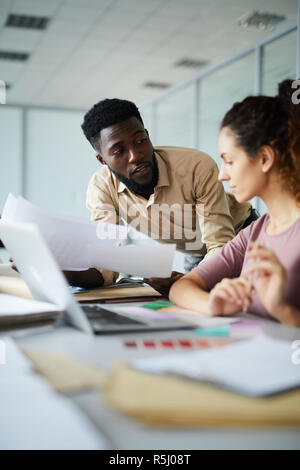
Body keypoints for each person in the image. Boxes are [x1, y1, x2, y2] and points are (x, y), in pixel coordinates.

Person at [77, 98, 257, 294]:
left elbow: (220, 244)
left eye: (140, 141)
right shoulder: (102, 187)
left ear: (148, 136)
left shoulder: (196, 167)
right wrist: (60, 269)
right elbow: (107, 263)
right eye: (119, 151)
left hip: (242, 238)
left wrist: (186, 281)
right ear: (102, 159)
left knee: (250, 303)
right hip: (197, 253)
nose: (135, 155)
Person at [169, 79, 300, 326]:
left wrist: (282, 310)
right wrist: (213, 303)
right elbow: (182, 287)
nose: (222, 175)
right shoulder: (257, 230)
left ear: (264, 158)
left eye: (229, 161)